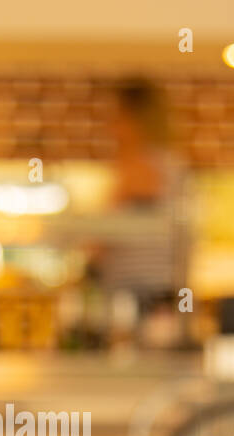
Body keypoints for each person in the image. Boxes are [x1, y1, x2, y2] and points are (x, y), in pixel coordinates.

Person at [97, 78, 189, 348]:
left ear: (135, 118)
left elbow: (100, 236)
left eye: (117, 117)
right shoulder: (173, 164)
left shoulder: (141, 167)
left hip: (138, 295)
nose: (111, 127)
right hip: (161, 295)